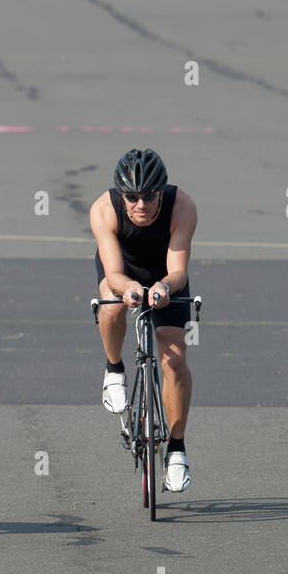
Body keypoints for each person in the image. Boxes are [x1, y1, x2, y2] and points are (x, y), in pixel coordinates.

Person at [89, 149, 198, 492]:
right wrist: (131, 288)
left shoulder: (182, 206)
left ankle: (177, 450)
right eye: (132, 197)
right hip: (123, 271)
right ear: (120, 195)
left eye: (149, 196)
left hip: (167, 276)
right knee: (110, 306)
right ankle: (114, 369)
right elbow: (114, 273)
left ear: (161, 192)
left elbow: (178, 270)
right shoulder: (103, 209)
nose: (141, 204)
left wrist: (164, 286)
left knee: (174, 359)